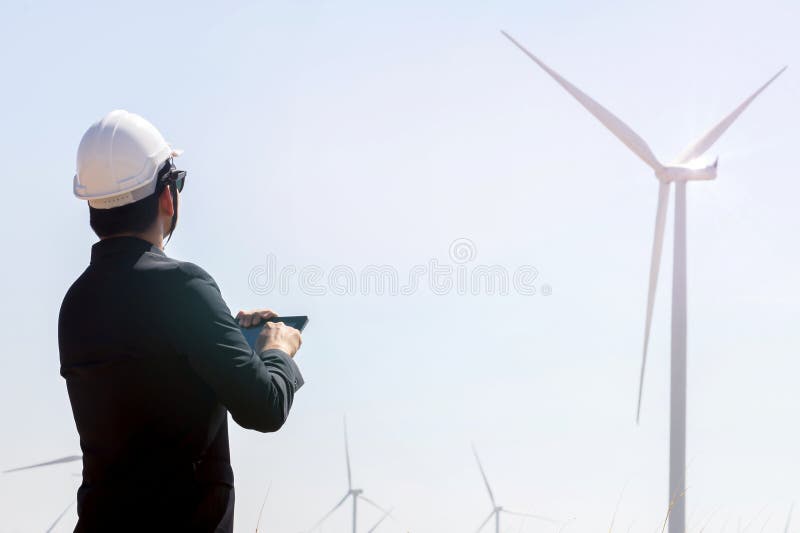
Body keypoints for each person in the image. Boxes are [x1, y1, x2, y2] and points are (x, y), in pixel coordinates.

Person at [59, 110, 304, 532]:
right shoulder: (184, 287)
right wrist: (277, 351)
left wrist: (224, 330)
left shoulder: (76, 303)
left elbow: (148, 369)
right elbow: (265, 408)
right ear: (167, 197)